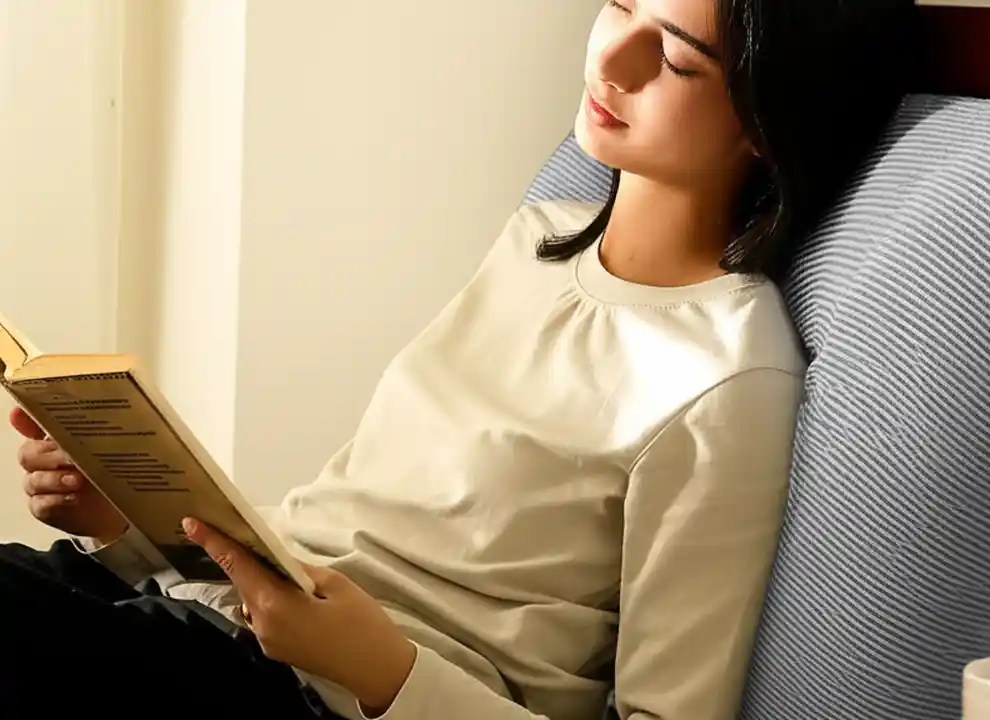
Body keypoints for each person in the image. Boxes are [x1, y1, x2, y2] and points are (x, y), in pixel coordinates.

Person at [1, 1, 918, 718]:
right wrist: (123, 531)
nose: (613, 58)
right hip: (203, 617)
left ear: (769, 119)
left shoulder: (727, 378)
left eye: (675, 58)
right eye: (620, 3)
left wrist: (384, 669)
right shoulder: (535, 240)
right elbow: (348, 529)